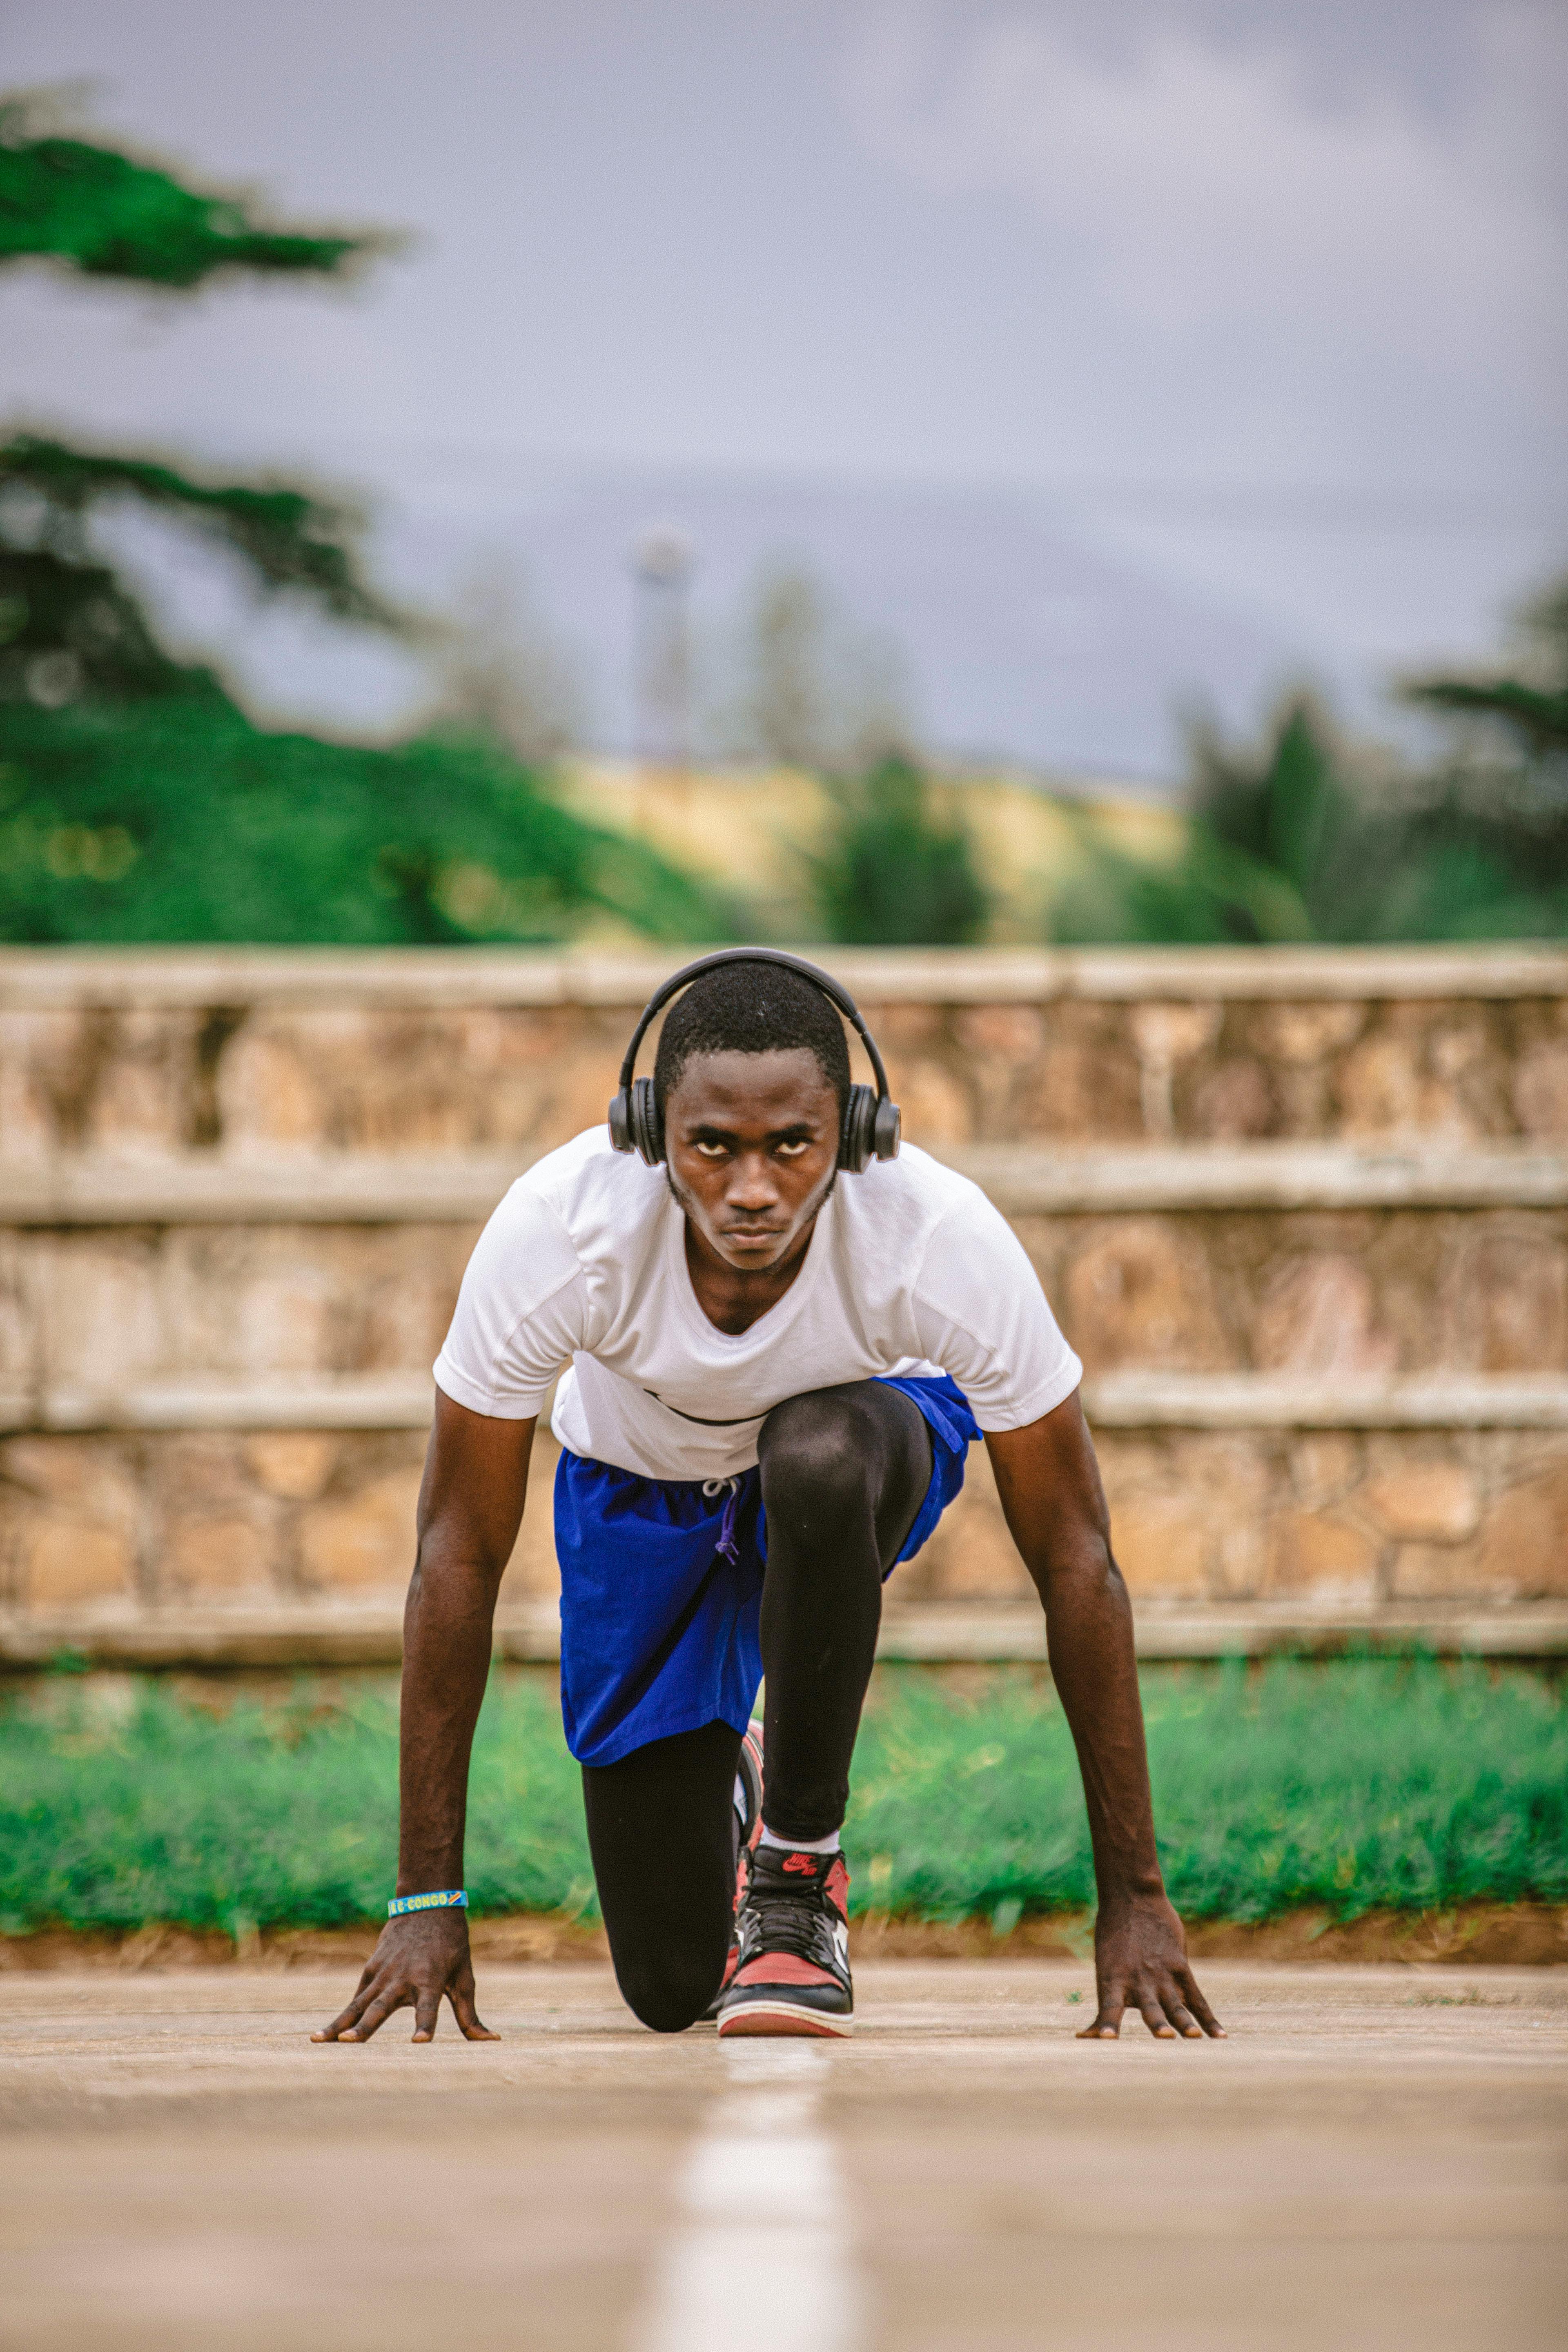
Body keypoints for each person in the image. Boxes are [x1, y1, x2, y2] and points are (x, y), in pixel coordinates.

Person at [315, 952, 1223, 2047]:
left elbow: (1079, 1553)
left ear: (854, 1132)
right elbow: (456, 1551)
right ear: (650, 1131)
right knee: (669, 1985)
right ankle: (745, 1779)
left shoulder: (936, 1234)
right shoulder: (560, 1231)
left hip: (851, 1453)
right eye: (713, 1147)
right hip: (637, 1490)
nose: (752, 1189)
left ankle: (796, 1870)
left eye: (792, 1146)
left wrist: (1133, 1898)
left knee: (820, 1450)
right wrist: (425, 1903)